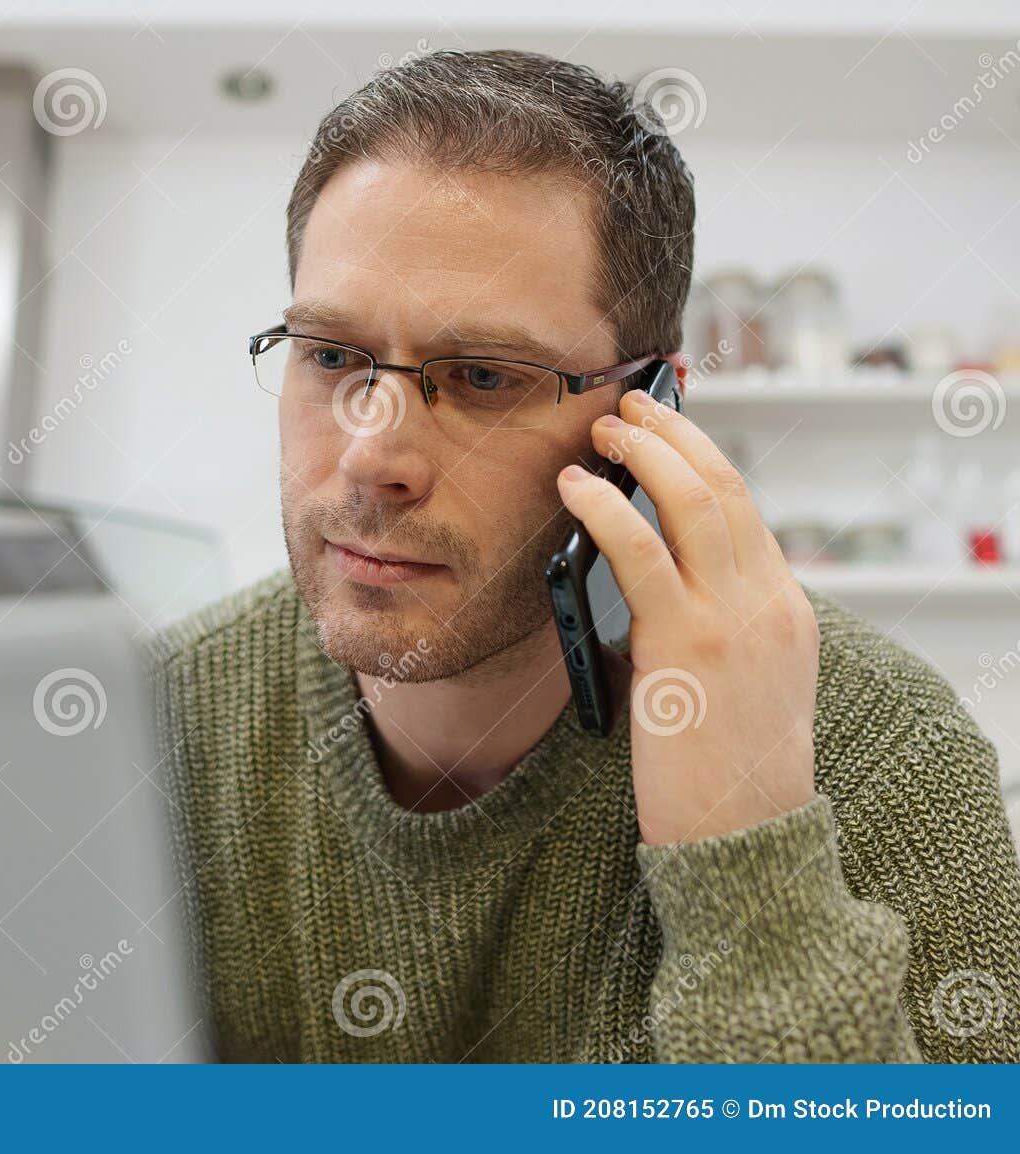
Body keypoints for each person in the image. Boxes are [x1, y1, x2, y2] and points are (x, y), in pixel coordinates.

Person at [147, 48, 1020, 1062]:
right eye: (331, 355)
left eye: (480, 375)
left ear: (647, 413)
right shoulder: (157, 719)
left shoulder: (878, 748)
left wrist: (749, 873)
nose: (369, 451)